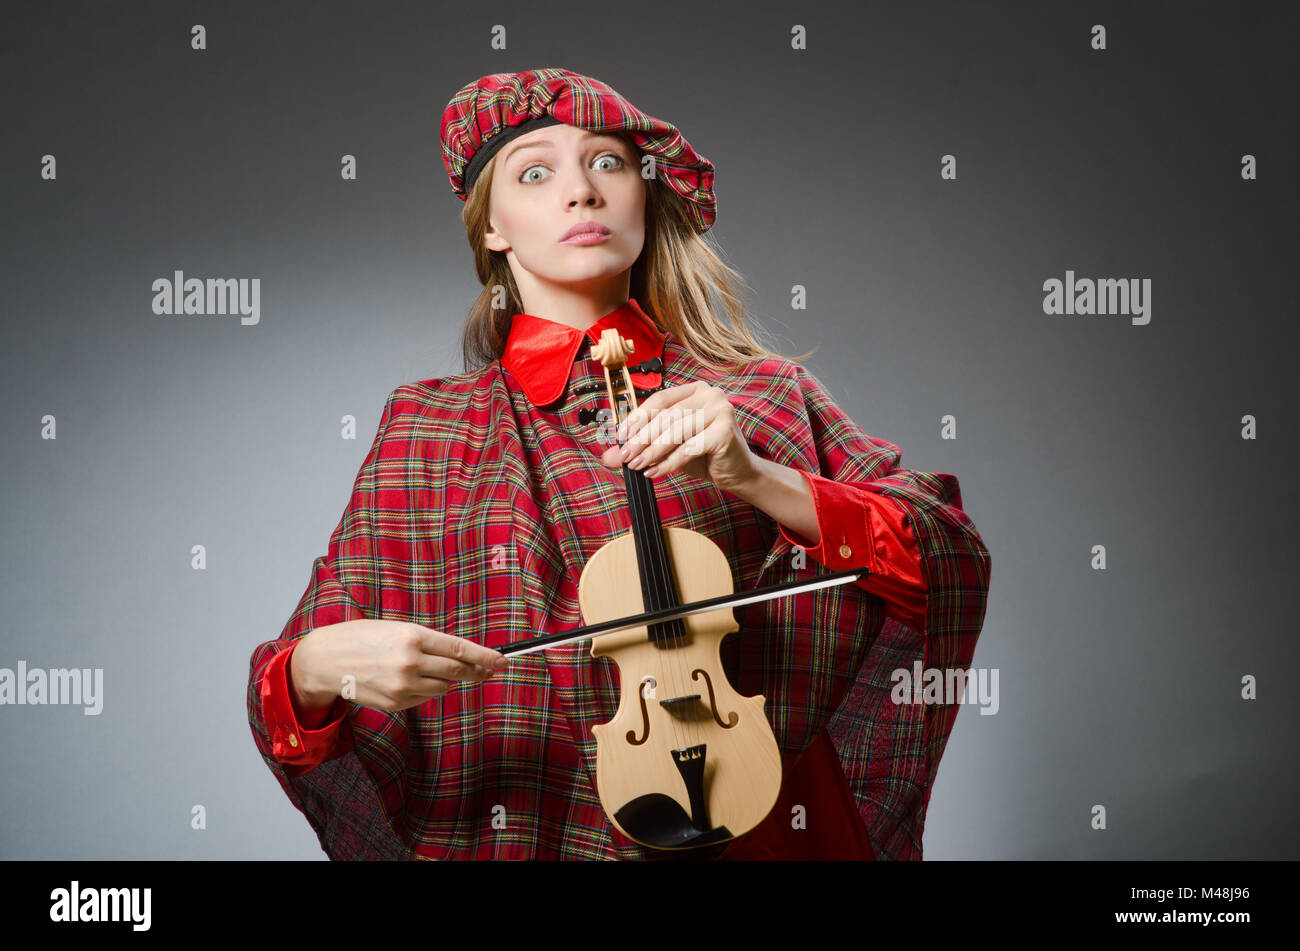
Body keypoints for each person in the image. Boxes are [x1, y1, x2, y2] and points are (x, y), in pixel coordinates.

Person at [245, 67, 991, 860]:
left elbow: (942, 556)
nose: (582, 191)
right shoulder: (428, 427)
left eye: (608, 162)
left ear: (644, 194)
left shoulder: (761, 392)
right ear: (491, 225)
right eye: (536, 173)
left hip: (764, 821)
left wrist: (755, 477)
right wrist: (316, 669)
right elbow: (286, 702)